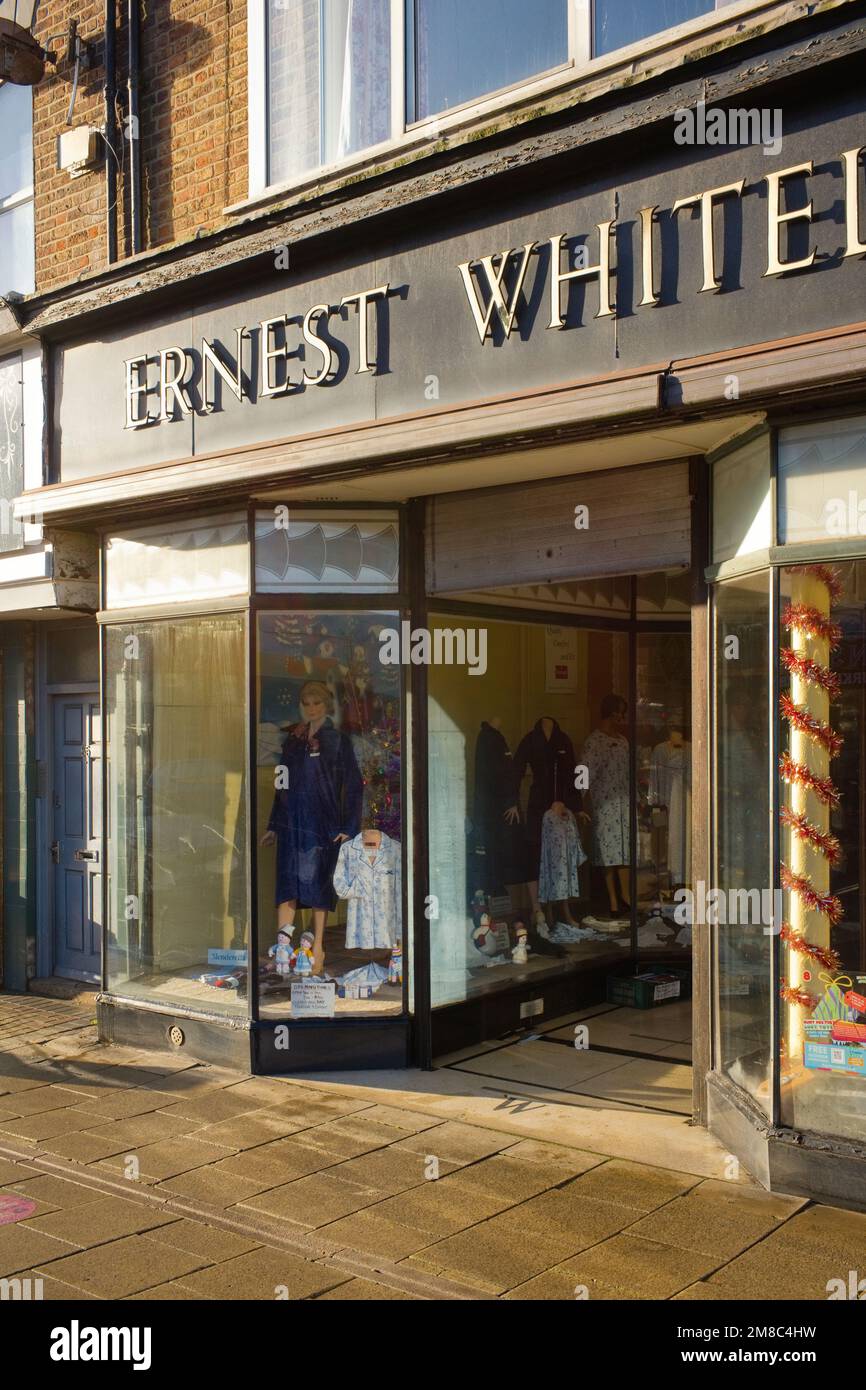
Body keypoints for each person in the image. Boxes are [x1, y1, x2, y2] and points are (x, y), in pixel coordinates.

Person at [260, 680, 362, 975]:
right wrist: (274, 824)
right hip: (293, 821)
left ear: (326, 705)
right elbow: (282, 783)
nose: (312, 708)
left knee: (319, 884)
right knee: (288, 882)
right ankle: (283, 946)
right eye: (306, 703)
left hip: (323, 820)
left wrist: (348, 826)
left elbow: (353, 785)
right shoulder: (293, 740)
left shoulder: (338, 741)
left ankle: (317, 946)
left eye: (317, 703)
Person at [583, 693, 631, 918]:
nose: (621, 716)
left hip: (624, 803)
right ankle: (613, 900)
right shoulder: (594, 741)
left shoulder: (623, 741)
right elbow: (584, 772)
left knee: (624, 852)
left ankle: (626, 897)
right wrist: (580, 802)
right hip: (604, 804)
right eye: (618, 711)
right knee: (608, 853)